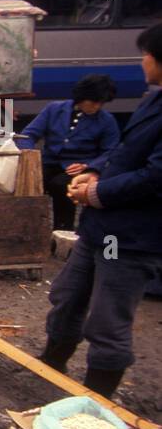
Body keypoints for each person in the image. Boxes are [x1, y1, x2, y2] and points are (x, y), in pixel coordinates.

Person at [38, 23, 162, 399]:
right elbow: (124, 156)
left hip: (133, 235)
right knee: (66, 297)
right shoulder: (153, 99)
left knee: (108, 321)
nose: (143, 61)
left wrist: (97, 191)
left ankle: (97, 403)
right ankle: (50, 369)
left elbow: (156, 174)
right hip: (99, 228)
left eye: (146, 54)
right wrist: (94, 173)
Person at [16, 74, 121, 231]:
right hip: (48, 161)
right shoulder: (54, 109)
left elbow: (111, 150)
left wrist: (89, 166)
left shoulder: (107, 120)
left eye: (101, 103)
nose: (96, 107)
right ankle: (26, 229)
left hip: (78, 166)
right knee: (29, 180)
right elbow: (28, 135)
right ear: (82, 96)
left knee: (61, 186)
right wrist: (30, 156)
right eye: (93, 102)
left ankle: (63, 230)